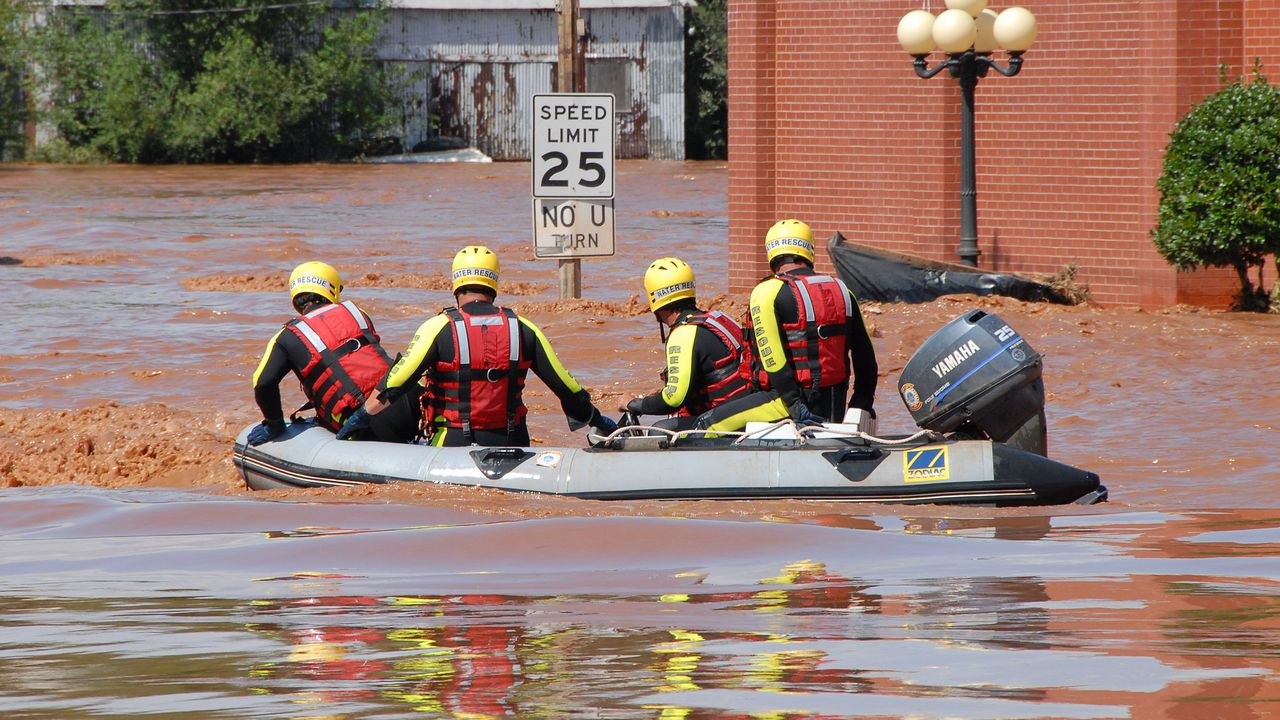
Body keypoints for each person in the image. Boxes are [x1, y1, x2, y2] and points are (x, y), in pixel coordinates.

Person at [343, 245, 616, 447]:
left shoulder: (437, 327)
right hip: (514, 443)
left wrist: (359, 420)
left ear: (456, 284)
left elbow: (396, 383)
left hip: (452, 443)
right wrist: (597, 419)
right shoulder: (524, 327)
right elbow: (566, 388)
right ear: (493, 283)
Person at [248, 261, 421, 445]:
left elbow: (262, 382)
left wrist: (274, 424)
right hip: (407, 400)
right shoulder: (357, 313)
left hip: (365, 422)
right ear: (332, 289)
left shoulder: (286, 337)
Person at [620, 257, 787, 432]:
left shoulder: (683, 334)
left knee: (659, 430)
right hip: (750, 407)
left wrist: (634, 403)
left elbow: (673, 399)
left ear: (655, 298)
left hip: (726, 421)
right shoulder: (719, 317)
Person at [744, 218, 878, 427]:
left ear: (771, 253)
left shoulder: (766, 291)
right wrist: (862, 402)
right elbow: (866, 358)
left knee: (707, 423)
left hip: (786, 406)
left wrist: (795, 405)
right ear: (809, 250)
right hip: (834, 404)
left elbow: (772, 358)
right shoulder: (843, 290)